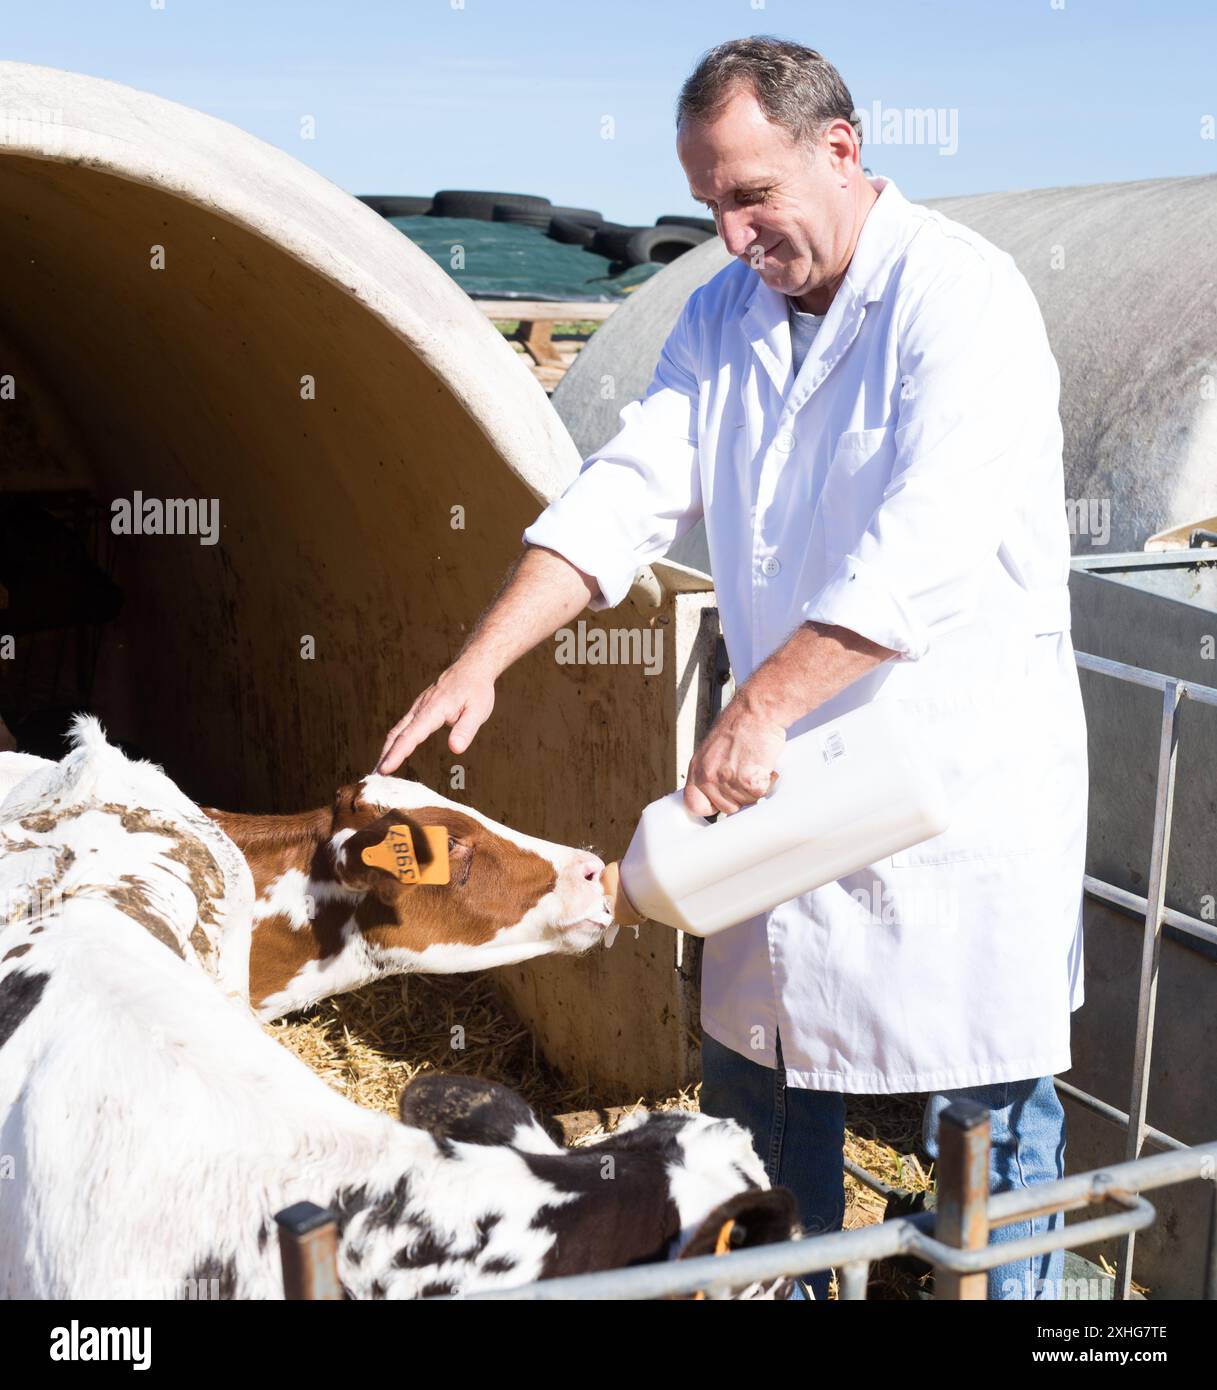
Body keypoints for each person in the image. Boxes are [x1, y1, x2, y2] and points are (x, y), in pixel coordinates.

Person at [378, 36, 1086, 1302]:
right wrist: (480, 660)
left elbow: (921, 550)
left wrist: (758, 704)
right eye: (709, 203)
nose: (731, 231)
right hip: (779, 803)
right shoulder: (722, 312)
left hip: (948, 799)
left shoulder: (960, 299)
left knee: (982, 1140)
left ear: (841, 148)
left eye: (751, 194)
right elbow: (627, 492)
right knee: (759, 1114)